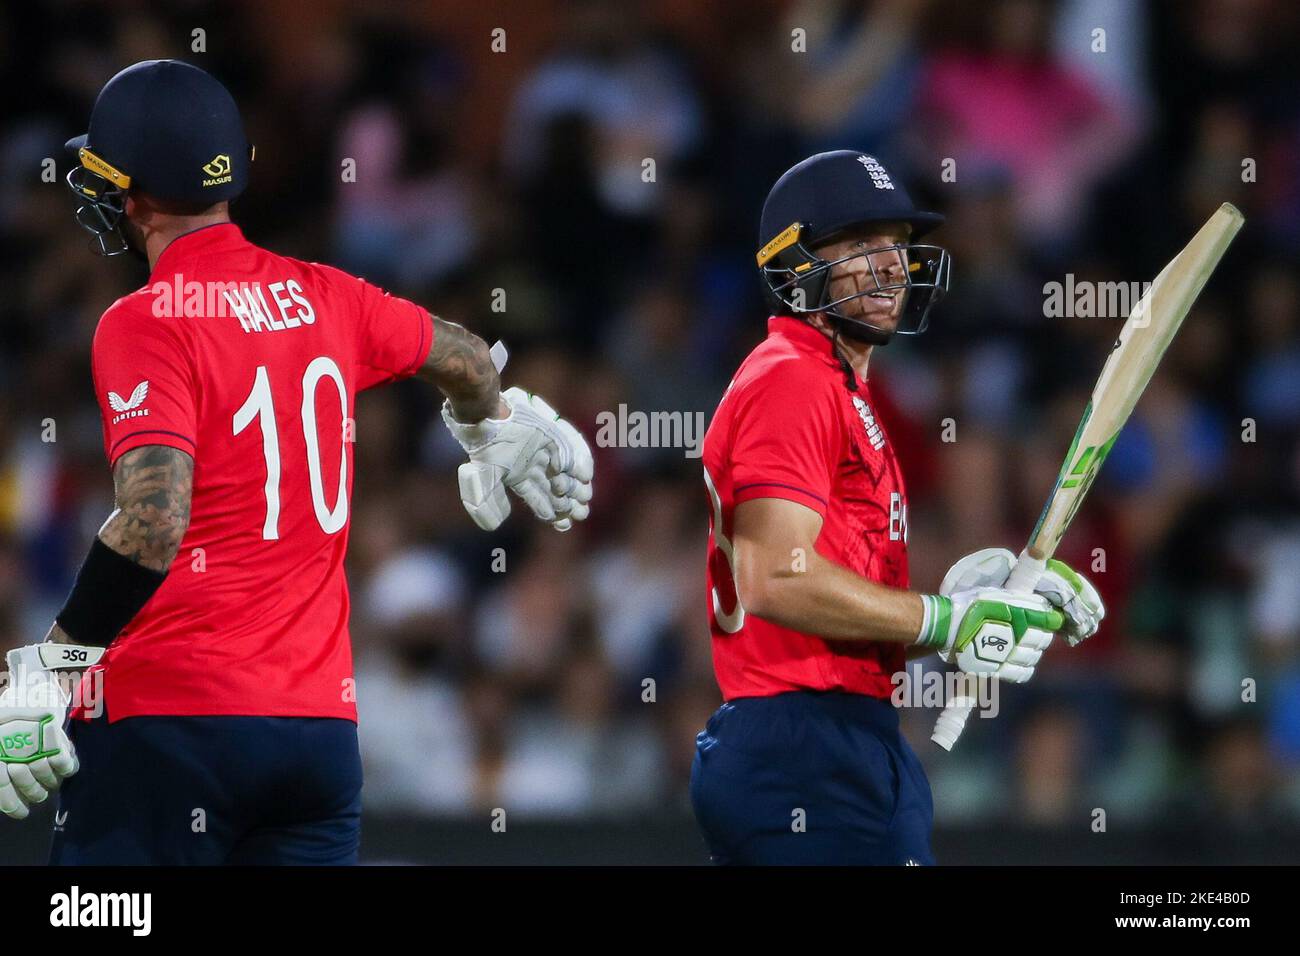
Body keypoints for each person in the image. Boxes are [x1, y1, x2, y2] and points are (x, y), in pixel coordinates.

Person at [0, 59, 593, 864]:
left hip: (169, 725)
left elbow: (154, 518)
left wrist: (57, 661)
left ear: (129, 191)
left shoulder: (143, 320)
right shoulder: (326, 294)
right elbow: (466, 357)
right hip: (315, 731)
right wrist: (489, 422)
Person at [690, 150, 1104, 864]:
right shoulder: (794, 381)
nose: (889, 267)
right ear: (795, 266)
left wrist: (978, 605)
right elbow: (776, 578)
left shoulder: (840, 390)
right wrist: (944, 619)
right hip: (806, 747)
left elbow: (835, 614)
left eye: (897, 247)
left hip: (832, 737)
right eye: (858, 246)